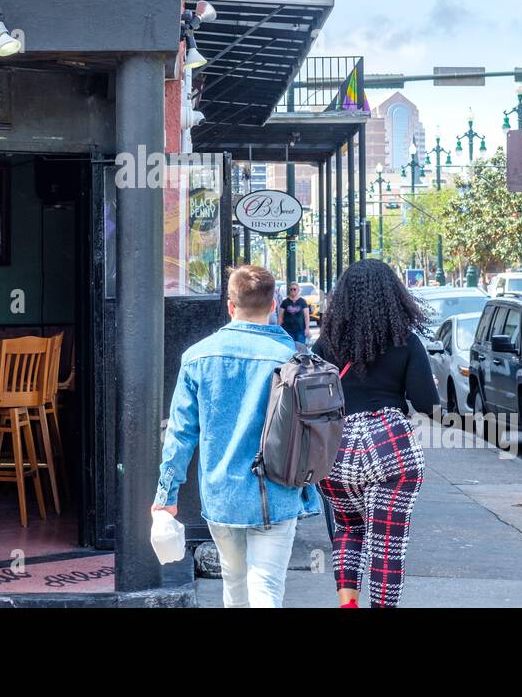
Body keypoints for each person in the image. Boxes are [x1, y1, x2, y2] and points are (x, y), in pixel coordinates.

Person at [152, 264, 321, 607]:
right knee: (267, 588)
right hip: (279, 491)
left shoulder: (197, 357)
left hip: (222, 494)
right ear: (274, 304)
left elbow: (180, 435)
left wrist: (166, 494)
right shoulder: (296, 359)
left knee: (235, 584)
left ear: (230, 305)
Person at [312, 259, 439, 608]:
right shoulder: (406, 341)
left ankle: (348, 603)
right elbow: (428, 404)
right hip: (391, 448)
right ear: (394, 295)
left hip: (337, 450)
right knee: (387, 545)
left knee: (349, 529)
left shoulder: (326, 344)